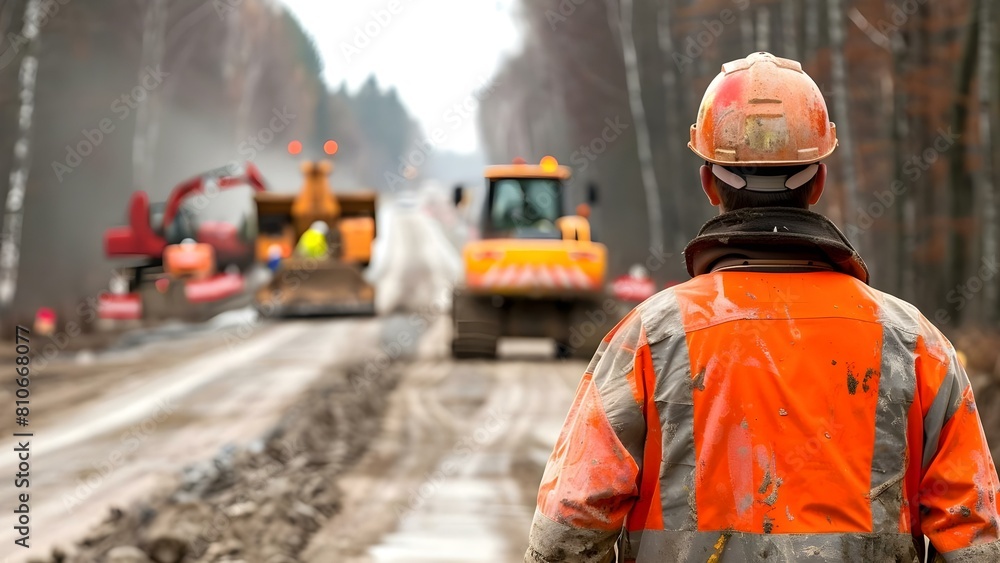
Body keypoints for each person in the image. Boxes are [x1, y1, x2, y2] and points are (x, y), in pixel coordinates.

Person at [524, 52, 1000, 563]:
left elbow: (568, 529)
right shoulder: (915, 344)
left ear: (710, 185)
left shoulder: (649, 338)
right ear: (818, 182)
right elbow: (975, 537)